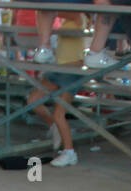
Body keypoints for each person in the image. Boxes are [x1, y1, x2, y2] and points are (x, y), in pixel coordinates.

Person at [27, 11, 86, 167]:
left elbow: (57, 12)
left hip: (73, 71)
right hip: (58, 68)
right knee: (33, 100)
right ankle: (55, 127)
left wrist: (47, 9)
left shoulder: (81, 17)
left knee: (59, 113)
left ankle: (69, 152)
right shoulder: (65, 19)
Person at [32, 0, 126, 68]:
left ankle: (43, 49)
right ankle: (95, 52)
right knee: (106, 3)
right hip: (71, 60)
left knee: (46, 3)